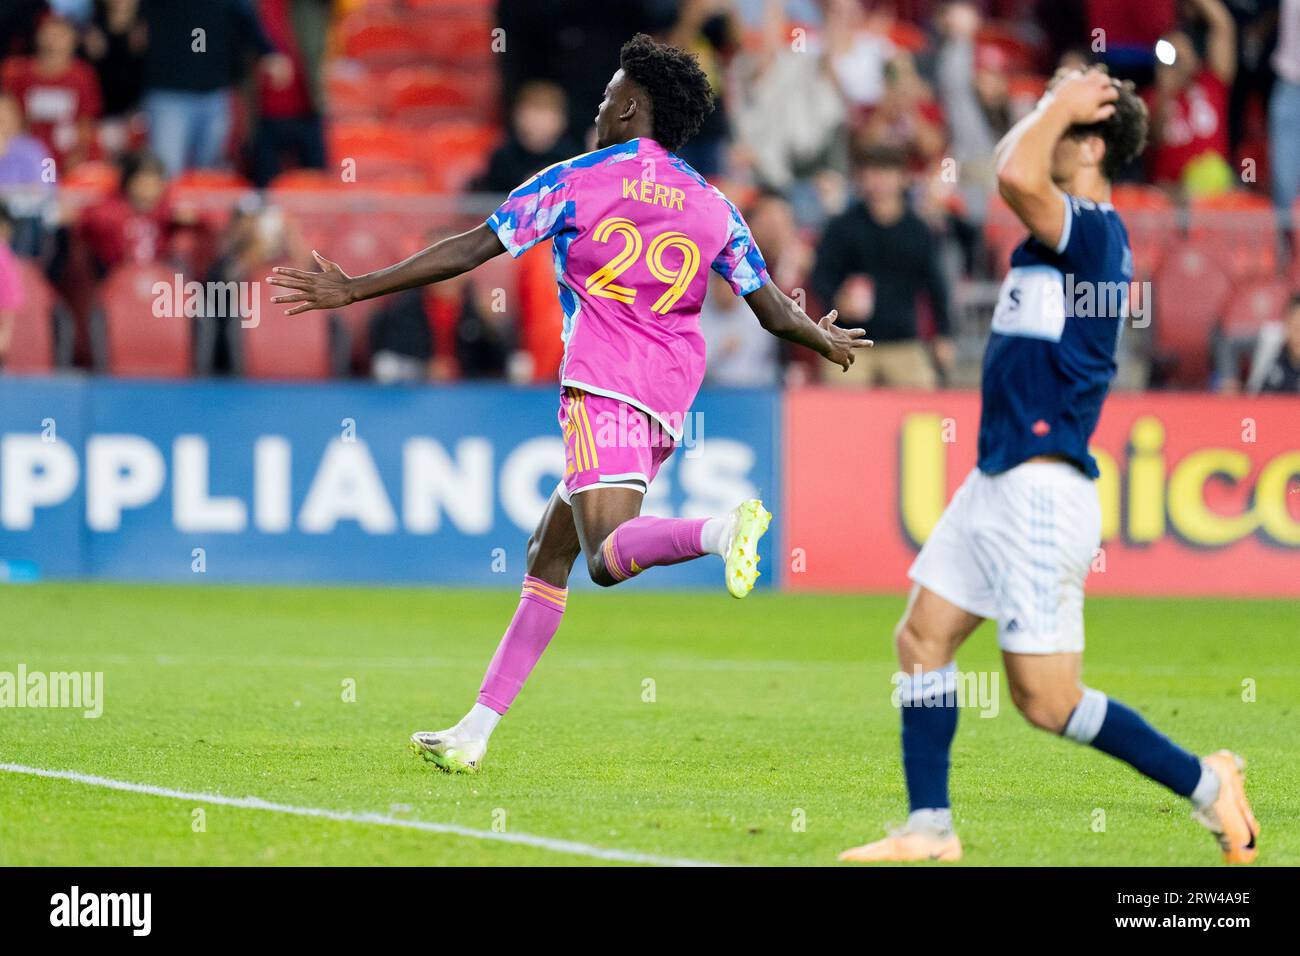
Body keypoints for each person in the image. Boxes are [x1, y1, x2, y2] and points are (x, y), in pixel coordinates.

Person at [269, 34, 870, 773]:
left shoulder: (576, 180)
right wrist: (824, 339)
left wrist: (355, 288)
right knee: (546, 553)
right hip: (667, 397)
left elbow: (470, 248)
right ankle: (475, 731)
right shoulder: (714, 205)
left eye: (607, 96)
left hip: (604, 381)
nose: (598, 107)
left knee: (607, 557)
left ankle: (721, 530)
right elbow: (773, 310)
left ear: (630, 108)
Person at [839, 68, 1259, 865]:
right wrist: (1051, 107)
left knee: (1047, 699)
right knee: (922, 640)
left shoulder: (1095, 229)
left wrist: (1061, 106)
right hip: (997, 477)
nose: (1041, 135)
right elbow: (1014, 162)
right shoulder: (1058, 228)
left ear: (1092, 147)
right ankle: (929, 828)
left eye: (1063, 129)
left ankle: (1208, 785)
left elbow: (1008, 170)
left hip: (1041, 485)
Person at [811, 142, 952, 388]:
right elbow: (821, 276)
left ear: (903, 178)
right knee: (837, 405)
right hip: (849, 340)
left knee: (924, 406)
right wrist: (837, 298)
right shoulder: (842, 226)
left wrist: (944, 335)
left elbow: (936, 286)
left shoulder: (918, 230)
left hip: (903, 341)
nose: (879, 181)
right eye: (872, 172)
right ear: (861, 177)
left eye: (886, 172)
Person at [1145, 0, 1237, 195]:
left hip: (1213, 193)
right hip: (1168, 194)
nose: (1178, 58)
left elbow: (1223, 25)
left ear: (1196, 56)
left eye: (1183, 51)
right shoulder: (1153, 96)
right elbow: (1154, 139)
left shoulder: (1212, 82)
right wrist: (1165, 92)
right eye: (1172, 52)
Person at [1, 12, 102, 172]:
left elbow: (86, 120)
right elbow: (9, 116)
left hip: (67, 155)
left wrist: (78, 154)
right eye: (48, 34)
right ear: (38, 37)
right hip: (27, 153)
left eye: (60, 36)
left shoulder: (82, 75)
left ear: (72, 40)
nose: (53, 42)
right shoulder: (17, 73)